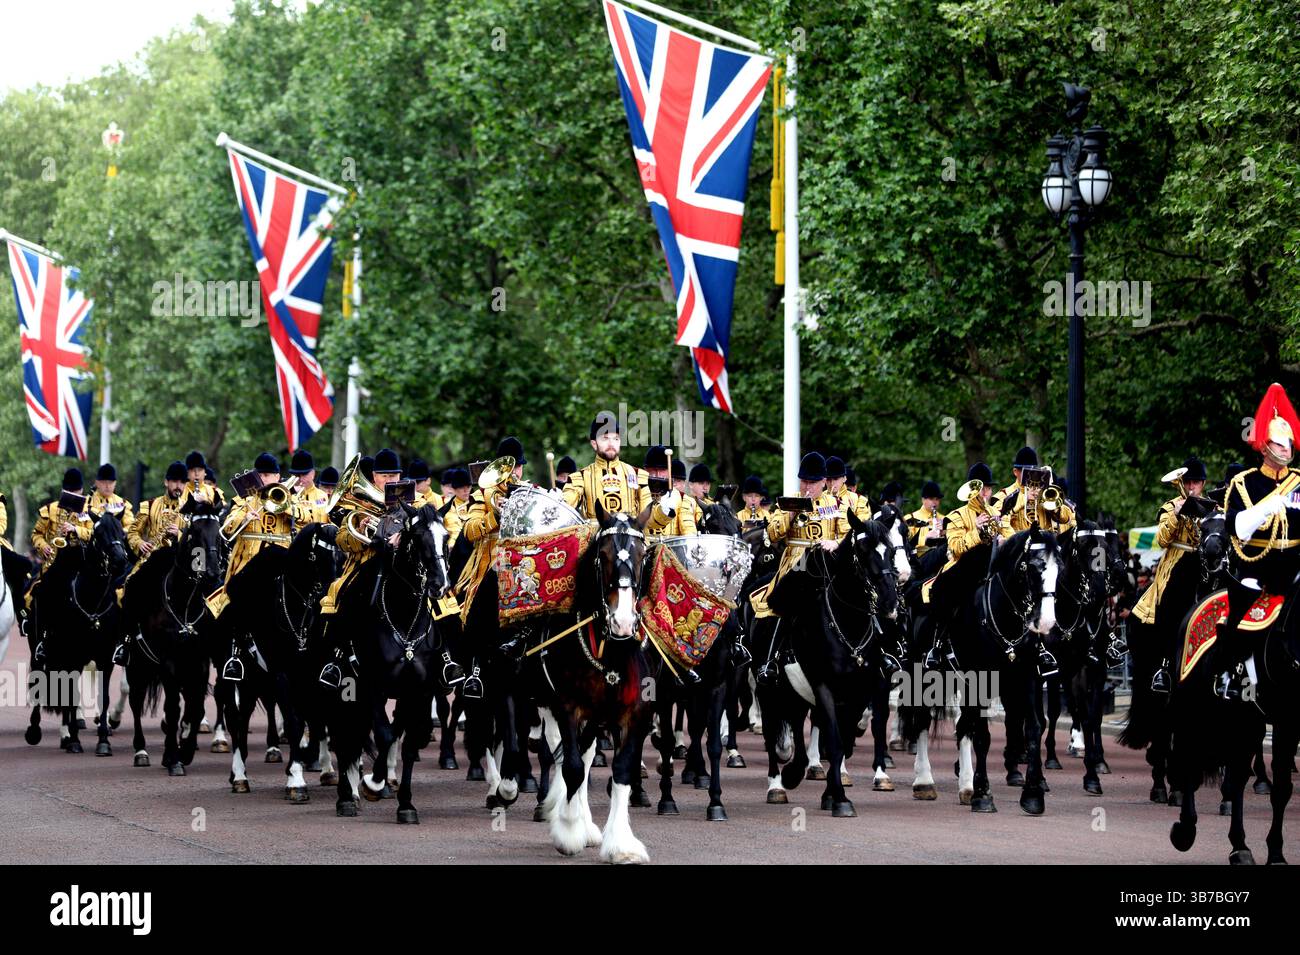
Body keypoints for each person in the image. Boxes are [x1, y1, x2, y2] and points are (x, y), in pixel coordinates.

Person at [1215, 384, 1300, 698]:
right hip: (1259, 568)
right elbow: (1237, 528)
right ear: (1264, 446)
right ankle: (1239, 674)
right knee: (1243, 606)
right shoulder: (1244, 482)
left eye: (1288, 443)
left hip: (1294, 564)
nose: (1286, 449)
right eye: (1279, 443)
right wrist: (1267, 507)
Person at [1131, 457, 1213, 692]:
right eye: (1187, 482)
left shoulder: (1212, 507)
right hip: (1178, 566)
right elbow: (1163, 539)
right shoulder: (1170, 506)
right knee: (1170, 605)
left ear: (1203, 483)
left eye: (1195, 482)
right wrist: (1177, 514)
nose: (1190, 486)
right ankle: (1164, 667)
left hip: (1204, 565)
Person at [644, 446, 696, 537]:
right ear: (645, 470)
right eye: (654, 470)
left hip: (671, 549)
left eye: (662, 470)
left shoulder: (682, 498)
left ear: (669, 471)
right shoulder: (638, 494)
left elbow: (689, 530)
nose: (658, 475)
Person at [87, 463, 135, 532]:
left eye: (110, 482)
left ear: (115, 483)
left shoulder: (122, 503)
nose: (107, 486)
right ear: (97, 483)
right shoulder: (86, 502)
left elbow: (131, 526)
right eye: (104, 482)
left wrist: (120, 532)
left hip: (117, 540)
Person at [906, 481, 946, 558]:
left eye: (937, 499)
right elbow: (906, 543)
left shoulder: (944, 518)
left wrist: (944, 533)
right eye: (931, 499)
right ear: (923, 500)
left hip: (941, 559)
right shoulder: (910, 518)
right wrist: (925, 537)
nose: (935, 502)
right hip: (919, 561)